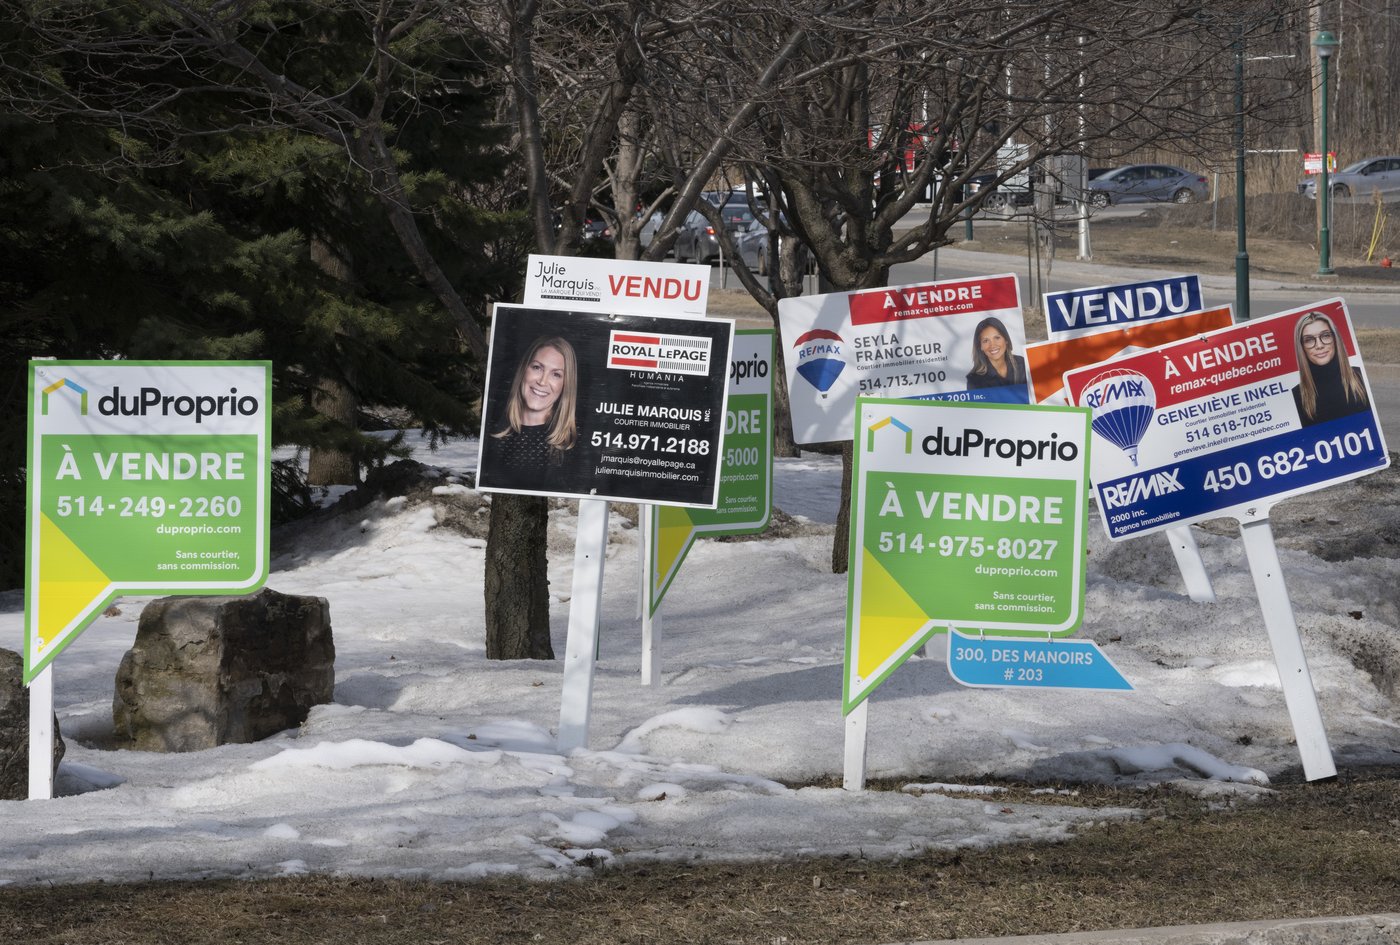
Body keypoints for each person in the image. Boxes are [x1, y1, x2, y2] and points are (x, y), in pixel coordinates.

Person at [484, 335, 579, 488]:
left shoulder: (572, 446)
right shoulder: (492, 432)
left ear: (566, 384)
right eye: (537, 367)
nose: (542, 381)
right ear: (523, 370)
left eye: (556, 374)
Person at [1291, 310, 1369, 428]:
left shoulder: (1359, 376)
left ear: (1335, 339)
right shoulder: (1296, 395)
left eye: (1325, 336)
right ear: (1301, 347)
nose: (1319, 345)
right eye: (1309, 340)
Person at [965, 317, 1028, 390]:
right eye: (986, 341)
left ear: (1006, 340)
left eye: (997, 338)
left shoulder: (1022, 363)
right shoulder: (974, 381)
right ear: (980, 346)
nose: (992, 345)